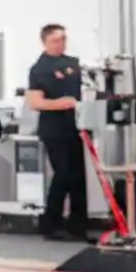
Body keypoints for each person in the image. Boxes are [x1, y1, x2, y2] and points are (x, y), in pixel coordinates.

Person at [25, 24, 88, 241]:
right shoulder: (39, 69)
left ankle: (78, 226)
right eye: (55, 40)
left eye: (63, 39)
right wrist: (61, 103)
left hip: (75, 128)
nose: (60, 43)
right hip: (54, 130)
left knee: (79, 177)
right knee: (63, 174)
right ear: (45, 42)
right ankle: (50, 224)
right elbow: (34, 102)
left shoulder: (73, 64)